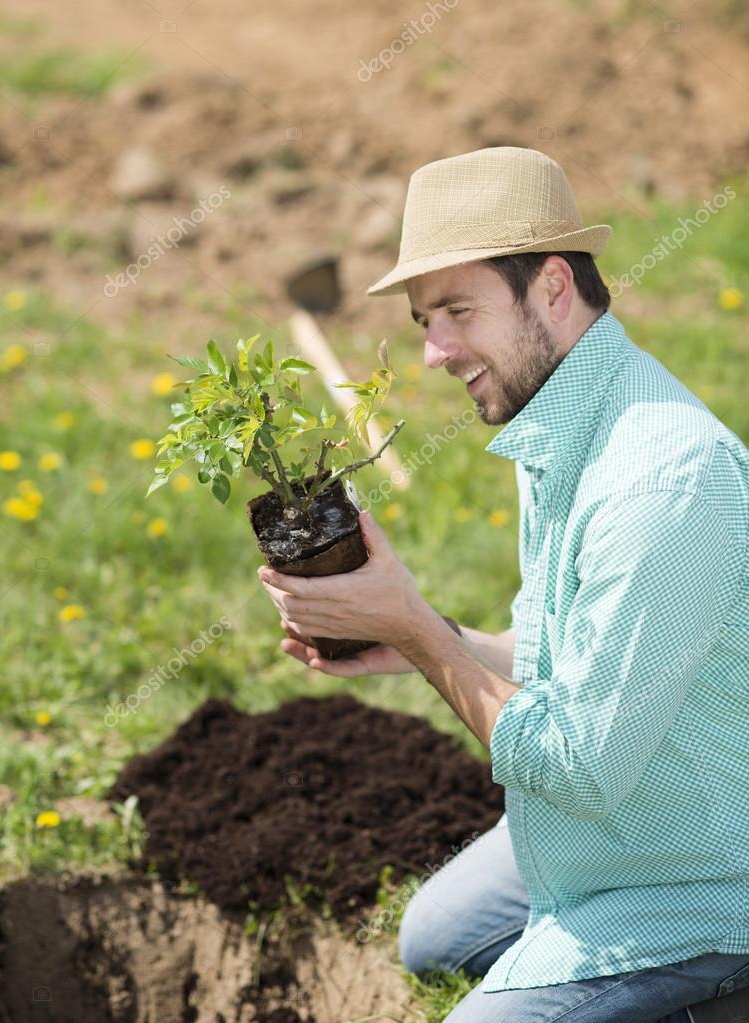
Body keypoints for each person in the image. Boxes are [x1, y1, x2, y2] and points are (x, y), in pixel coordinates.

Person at [257, 146, 749, 1022]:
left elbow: (580, 768)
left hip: (700, 867)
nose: (436, 352)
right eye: (423, 320)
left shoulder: (662, 484)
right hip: (616, 816)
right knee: (434, 936)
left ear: (552, 286)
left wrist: (420, 630)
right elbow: (570, 654)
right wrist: (412, 640)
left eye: (458, 310)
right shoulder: (559, 416)